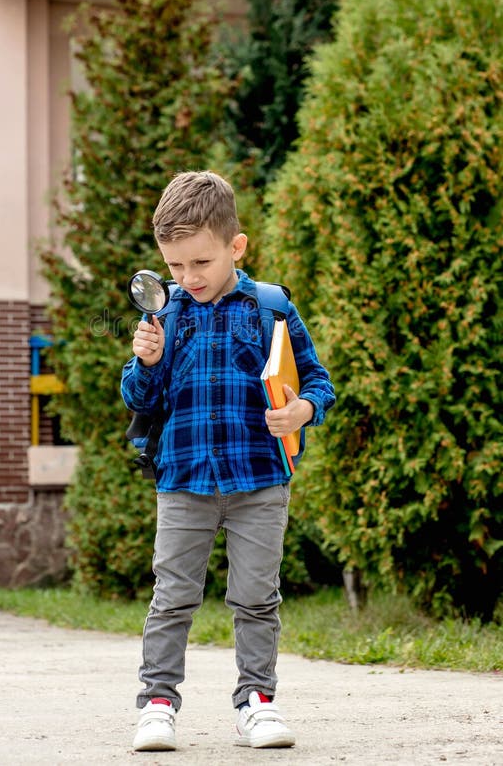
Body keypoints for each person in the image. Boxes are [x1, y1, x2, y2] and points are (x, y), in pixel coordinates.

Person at [121, 171, 335, 751]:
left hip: (260, 479)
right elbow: (142, 400)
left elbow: (316, 380)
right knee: (172, 595)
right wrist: (144, 364)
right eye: (175, 268)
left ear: (235, 247)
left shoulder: (270, 306)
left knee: (256, 597)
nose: (188, 279)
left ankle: (257, 703)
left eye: (201, 263)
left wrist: (302, 411)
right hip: (185, 479)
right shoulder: (167, 317)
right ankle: (158, 704)